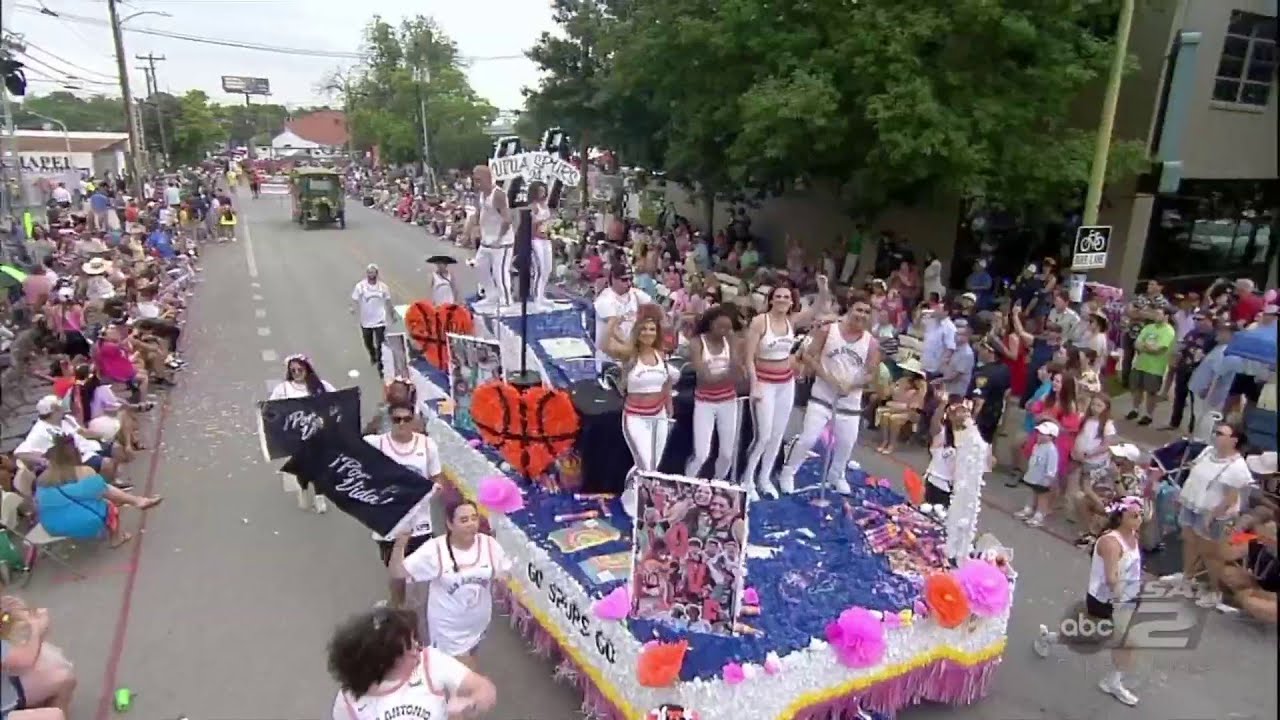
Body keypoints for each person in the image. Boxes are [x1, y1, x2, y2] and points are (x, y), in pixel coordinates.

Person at [1034, 496, 1148, 707]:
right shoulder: (1111, 543)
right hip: (1106, 601)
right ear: (1120, 516)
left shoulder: (1132, 535)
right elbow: (1112, 578)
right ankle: (1049, 639)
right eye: (1134, 515)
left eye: (1140, 515)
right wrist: (1121, 600)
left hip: (1127, 598)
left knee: (1107, 640)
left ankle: (1112, 681)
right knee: (1108, 640)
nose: (1139, 519)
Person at [774, 291, 879, 496]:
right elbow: (808, 355)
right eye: (859, 309)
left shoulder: (871, 342)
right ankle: (788, 472)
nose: (862, 315)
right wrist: (828, 377)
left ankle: (837, 475)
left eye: (867, 311)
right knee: (808, 438)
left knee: (846, 443)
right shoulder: (829, 330)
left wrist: (854, 384)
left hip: (850, 401)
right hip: (822, 395)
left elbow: (871, 373)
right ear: (849, 309)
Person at [390, 500, 511, 666]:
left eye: (474, 518)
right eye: (464, 520)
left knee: (466, 665)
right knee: (462, 675)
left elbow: (503, 573)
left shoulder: (489, 544)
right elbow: (399, 572)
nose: (471, 524)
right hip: (447, 630)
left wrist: (502, 580)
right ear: (450, 524)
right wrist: (400, 544)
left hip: (478, 624)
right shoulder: (435, 550)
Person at [740, 278, 831, 497]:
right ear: (771, 300)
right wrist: (754, 385)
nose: (782, 300)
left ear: (792, 302)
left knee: (777, 434)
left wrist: (823, 289)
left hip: (785, 383)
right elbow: (749, 357)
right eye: (778, 296)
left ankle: (764, 478)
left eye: (786, 297)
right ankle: (748, 480)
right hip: (764, 382)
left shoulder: (792, 321)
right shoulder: (760, 322)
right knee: (762, 435)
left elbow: (817, 308)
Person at [326, 607, 497, 720]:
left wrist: (470, 703)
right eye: (409, 646)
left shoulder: (430, 663)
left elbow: (485, 689)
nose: (418, 648)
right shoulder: (349, 701)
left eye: (415, 638)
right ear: (385, 661)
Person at [1162, 422, 1253, 609]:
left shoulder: (1237, 466)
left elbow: (1231, 497)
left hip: (1213, 514)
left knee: (1210, 553)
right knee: (1188, 539)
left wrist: (1212, 516)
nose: (1216, 435)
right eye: (1216, 432)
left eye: (1221, 433)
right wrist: (1182, 497)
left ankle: (1215, 591)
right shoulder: (1208, 452)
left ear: (1233, 440)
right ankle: (1187, 577)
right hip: (1192, 505)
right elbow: (1194, 474)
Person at [600, 304, 677, 515]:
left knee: (654, 464)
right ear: (638, 331)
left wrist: (669, 407)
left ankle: (638, 494)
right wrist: (614, 322)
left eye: (652, 329)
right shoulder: (630, 354)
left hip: (659, 415)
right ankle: (632, 496)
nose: (648, 333)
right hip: (635, 417)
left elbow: (667, 383)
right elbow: (604, 344)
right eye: (644, 329)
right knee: (645, 463)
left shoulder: (661, 353)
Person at [366, 400, 444, 608]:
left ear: (414, 420)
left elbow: (437, 478)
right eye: (396, 419)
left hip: (420, 523)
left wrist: (433, 490)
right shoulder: (377, 444)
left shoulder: (427, 446)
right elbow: (350, 447)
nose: (402, 424)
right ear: (390, 421)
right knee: (396, 570)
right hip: (388, 522)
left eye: (406, 419)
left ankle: (420, 610)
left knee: (420, 570)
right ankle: (397, 607)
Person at [34, 435, 161, 546]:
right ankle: (116, 538)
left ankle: (136, 501)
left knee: (98, 491)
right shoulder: (84, 472)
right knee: (108, 502)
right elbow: (104, 492)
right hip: (83, 524)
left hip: (50, 526)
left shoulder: (42, 479)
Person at [268, 355, 336, 513]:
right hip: (296, 437)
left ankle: (320, 497)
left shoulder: (320, 385)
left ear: (307, 369)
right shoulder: (283, 388)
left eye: (300, 369)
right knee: (303, 468)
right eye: (293, 370)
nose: (297, 373)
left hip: (318, 434)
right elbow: (272, 407)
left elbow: (336, 399)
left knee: (319, 467)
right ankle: (303, 489)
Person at [686, 305, 743, 482]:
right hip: (705, 402)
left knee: (727, 453)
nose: (724, 331)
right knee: (702, 453)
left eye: (728, 328)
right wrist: (728, 374)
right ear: (710, 324)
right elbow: (705, 378)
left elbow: (739, 374)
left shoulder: (730, 341)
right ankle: (689, 481)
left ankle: (718, 482)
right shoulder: (697, 343)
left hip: (728, 401)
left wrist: (733, 347)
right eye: (720, 327)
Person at [0, 597, 76, 720]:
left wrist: (8, 612)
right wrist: (37, 625)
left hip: (6, 689)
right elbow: (24, 661)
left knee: (65, 678)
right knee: (55, 716)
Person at [468, 164, 515, 309]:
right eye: (475, 180)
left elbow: (507, 219)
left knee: (499, 272)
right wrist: (471, 230)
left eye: (479, 180)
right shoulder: (481, 195)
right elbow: (478, 214)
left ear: (488, 178)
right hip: (486, 240)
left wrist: (499, 239)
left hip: (502, 242)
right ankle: (491, 295)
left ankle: (506, 301)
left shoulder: (498, 194)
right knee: (479, 267)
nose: (477, 184)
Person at [592, 267, 653, 372]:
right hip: (611, 357)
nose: (629, 283)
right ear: (613, 279)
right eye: (624, 280)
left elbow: (655, 308)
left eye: (630, 279)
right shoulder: (605, 299)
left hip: (632, 352)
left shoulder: (634, 294)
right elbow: (613, 330)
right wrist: (633, 348)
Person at [923, 396, 967, 507]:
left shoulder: (968, 436)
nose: (960, 415)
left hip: (956, 487)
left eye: (964, 412)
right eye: (956, 412)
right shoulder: (941, 433)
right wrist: (943, 403)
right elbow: (935, 421)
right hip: (937, 483)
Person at [351, 264, 395, 373]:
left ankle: (381, 364)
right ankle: (372, 353)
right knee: (368, 342)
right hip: (366, 320)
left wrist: (392, 314)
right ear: (367, 274)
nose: (371, 274)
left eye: (373, 272)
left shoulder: (383, 287)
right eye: (369, 272)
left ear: (377, 273)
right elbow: (355, 299)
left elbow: (388, 301)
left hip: (380, 320)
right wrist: (352, 308)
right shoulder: (360, 286)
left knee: (381, 343)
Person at [1017, 421, 1061, 527]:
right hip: (1033, 475)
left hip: (1043, 479)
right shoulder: (1037, 446)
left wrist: (1049, 478)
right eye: (1039, 433)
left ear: (1051, 436)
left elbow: (1052, 466)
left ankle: (1039, 515)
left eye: (1043, 434)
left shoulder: (1051, 450)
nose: (1039, 435)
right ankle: (1028, 508)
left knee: (1042, 497)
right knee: (1031, 492)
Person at [527, 181, 554, 309]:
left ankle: (542, 295)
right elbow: (530, 224)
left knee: (548, 269)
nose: (542, 193)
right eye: (540, 191)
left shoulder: (545, 206)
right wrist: (542, 222)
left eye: (544, 191)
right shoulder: (534, 206)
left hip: (546, 239)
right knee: (540, 269)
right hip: (536, 240)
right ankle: (536, 298)